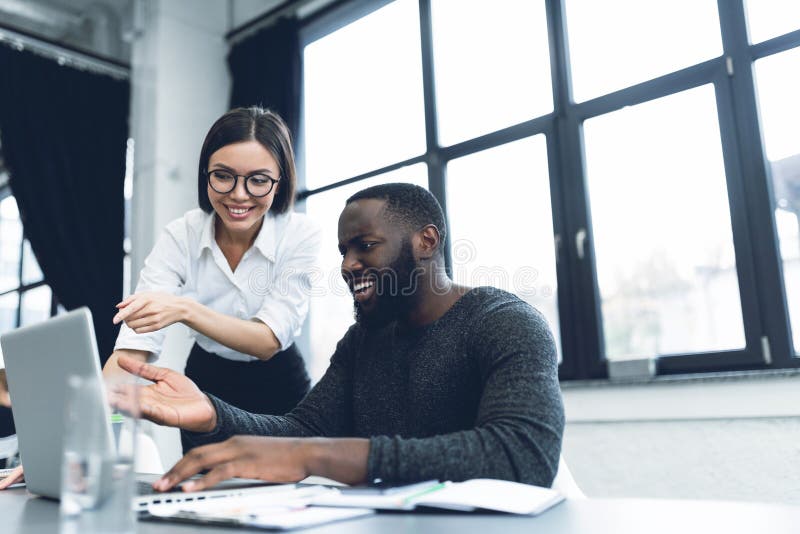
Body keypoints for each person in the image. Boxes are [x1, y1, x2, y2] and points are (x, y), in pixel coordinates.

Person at [114, 183, 565, 491]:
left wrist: (321, 457)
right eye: (343, 251)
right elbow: (303, 432)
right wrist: (212, 414)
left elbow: (523, 457)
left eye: (365, 246)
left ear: (426, 241)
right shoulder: (364, 341)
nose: (348, 265)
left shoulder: (505, 322)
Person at [104, 107, 320, 426]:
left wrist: (184, 309)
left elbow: (266, 341)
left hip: (280, 386)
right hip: (205, 385)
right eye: (223, 176)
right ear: (206, 173)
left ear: (279, 182)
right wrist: (79, 432)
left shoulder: (300, 235)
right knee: (201, 477)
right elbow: (135, 346)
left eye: (258, 180)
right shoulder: (181, 236)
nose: (238, 195)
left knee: (285, 477)